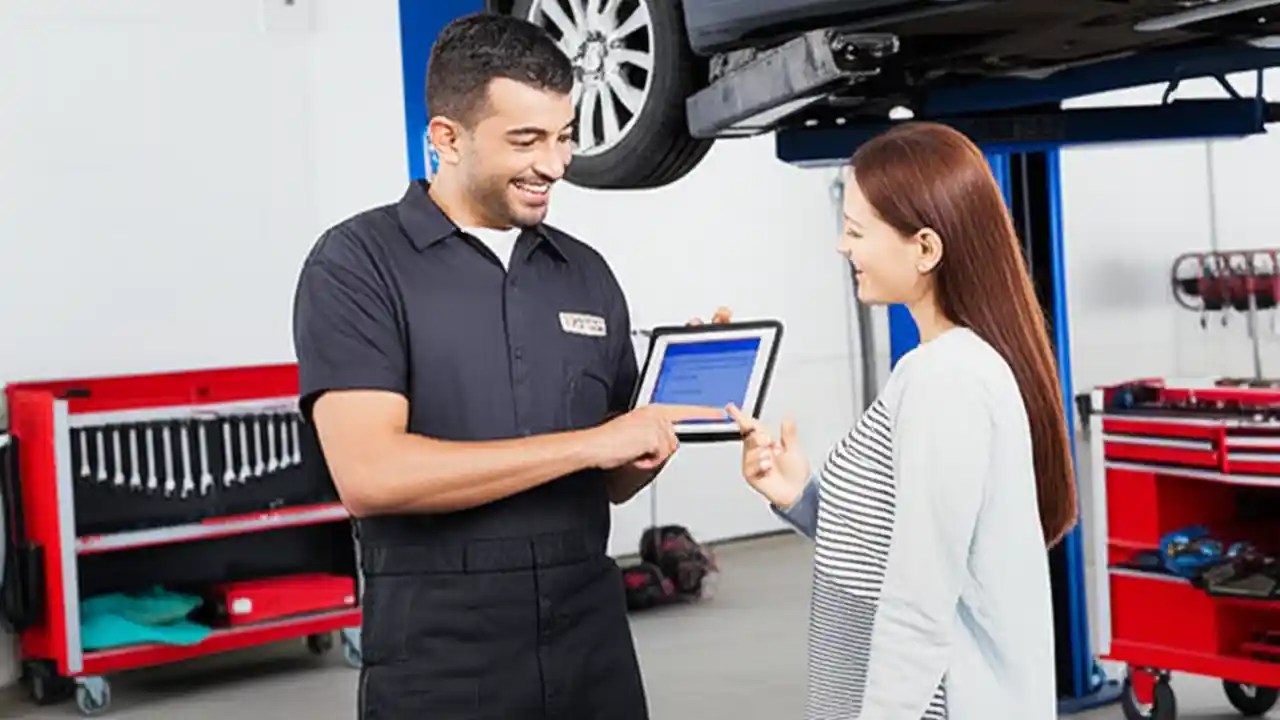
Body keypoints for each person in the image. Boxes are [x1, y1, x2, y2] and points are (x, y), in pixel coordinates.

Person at [291, 13, 724, 719]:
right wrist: (590, 443)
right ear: (446, 138)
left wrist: (652, 433)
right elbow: (371, 475)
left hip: (591, 644)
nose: (555, 164)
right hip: (443, 657)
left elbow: (611, 481)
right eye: (525, 140)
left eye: (564, 135)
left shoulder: (584, 274)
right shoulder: (358, 266)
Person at [727, 122, 1078, 720]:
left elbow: (919, 598)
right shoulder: (941, 368)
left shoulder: (948, 380)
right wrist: (803, 497)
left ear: (925, 249)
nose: (844, 247)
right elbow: (900, 542)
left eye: (856, 230)